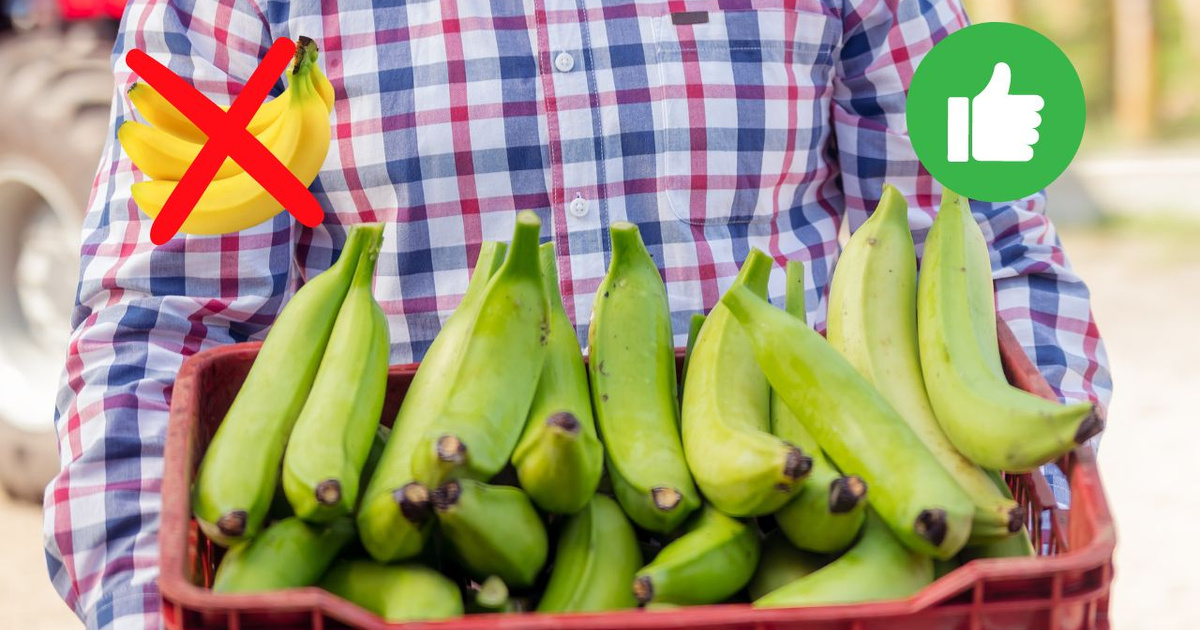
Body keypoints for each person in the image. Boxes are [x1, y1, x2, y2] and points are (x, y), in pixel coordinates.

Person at [43, 0, 1112, 628]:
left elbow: (987, 253)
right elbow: (159, 335)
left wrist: (1029, 557)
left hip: (806, 531)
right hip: (410, 541)